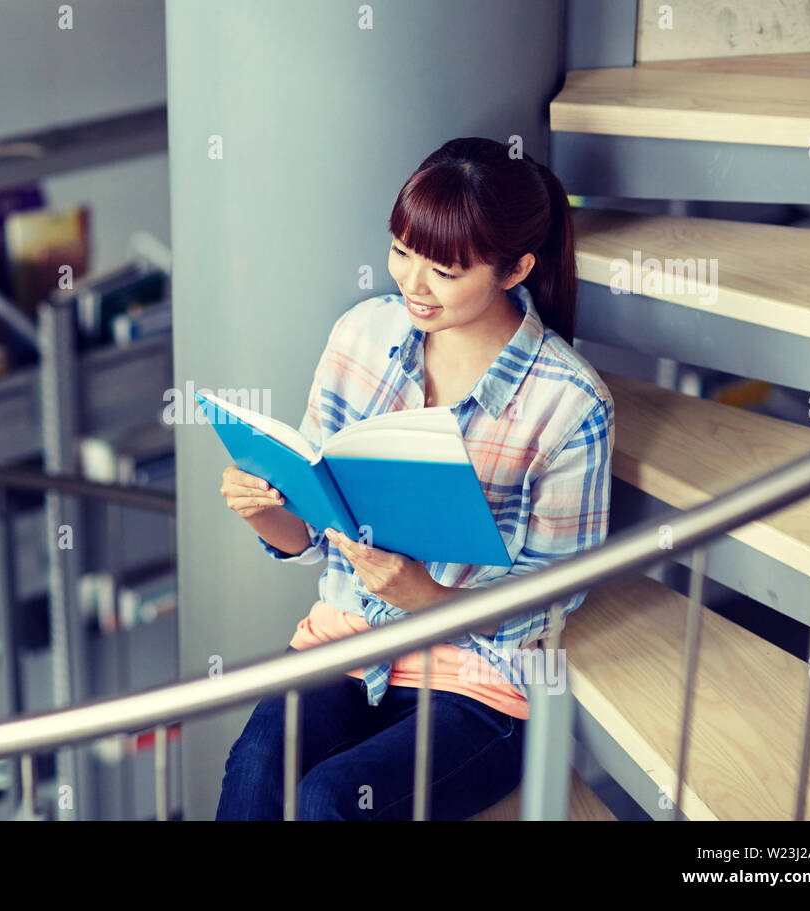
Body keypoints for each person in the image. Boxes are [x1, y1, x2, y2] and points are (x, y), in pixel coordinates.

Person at [214, 137, 615, 820]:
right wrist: (262, 510)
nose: (412, 284)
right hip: (348, 640)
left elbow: (553, 595)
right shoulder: (361, 337)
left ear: (514, 268)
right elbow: (312, 530)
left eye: (444, 270)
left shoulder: (571, 405)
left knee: (328, 801)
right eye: (402, 251)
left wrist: (424, 595)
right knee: (256, 766)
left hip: (480, 683)